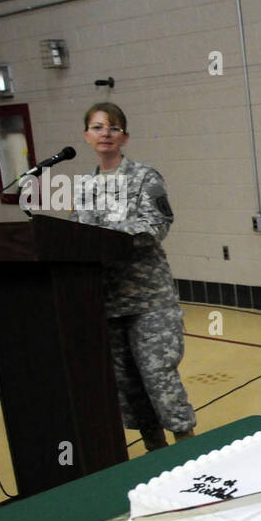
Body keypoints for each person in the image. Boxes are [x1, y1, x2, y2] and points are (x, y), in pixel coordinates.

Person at [71, 102, 195, 452]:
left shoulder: (145, 177)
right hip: (109, 303)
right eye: (97, 127)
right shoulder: (84, 186)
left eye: (112, 128)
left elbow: (156, 225)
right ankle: (155, 454)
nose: (105, 134)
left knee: (160, 378)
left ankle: (188, 449)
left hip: (149, 299)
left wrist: (105, 235)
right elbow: (75, 234)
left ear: (124, 136)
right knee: (129, 387)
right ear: (86, 136)